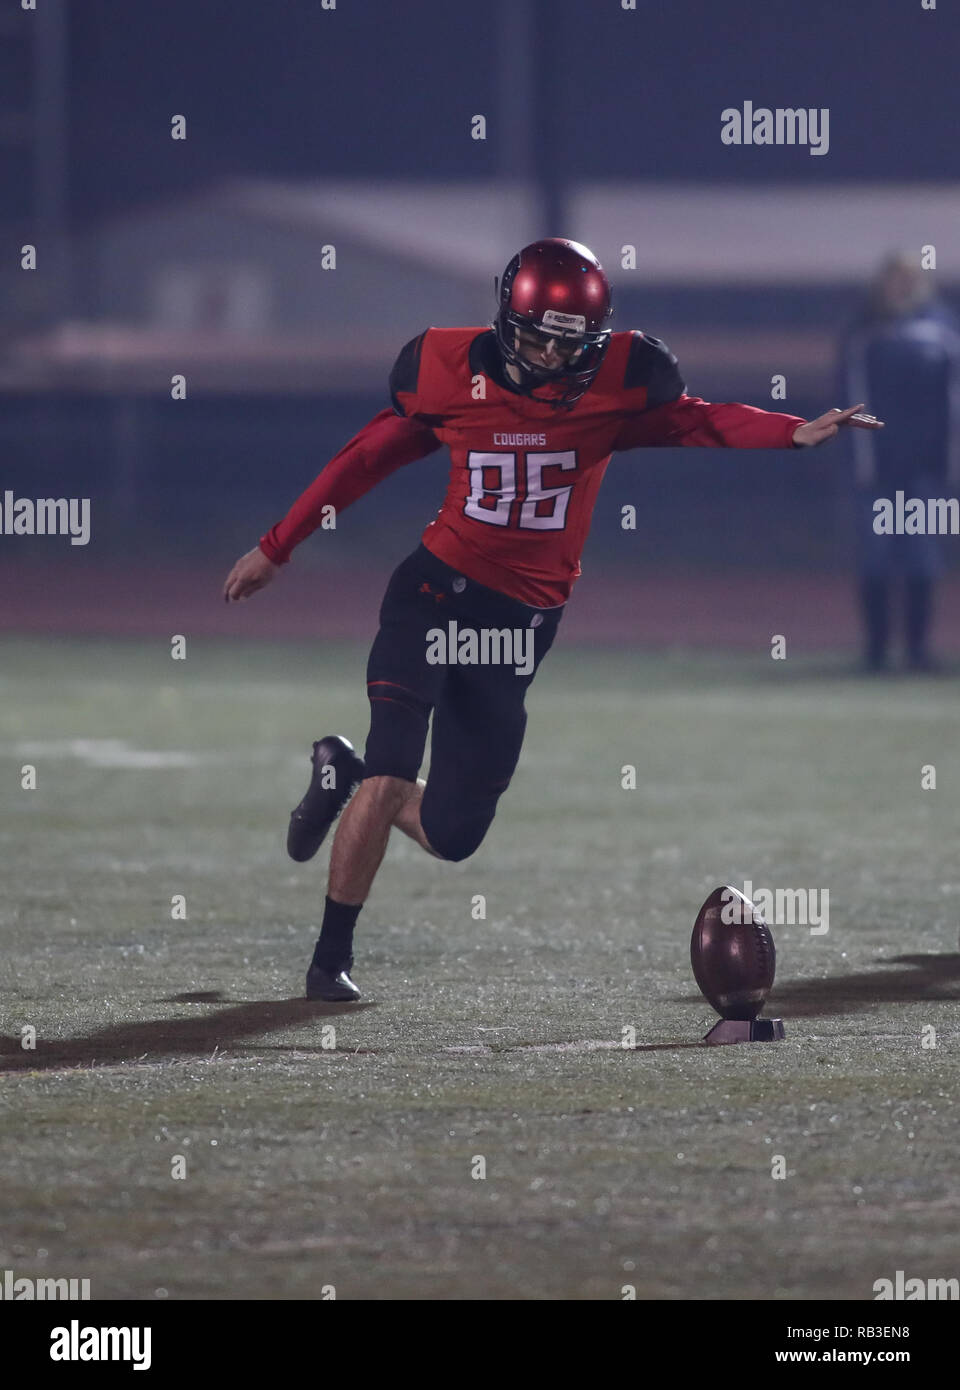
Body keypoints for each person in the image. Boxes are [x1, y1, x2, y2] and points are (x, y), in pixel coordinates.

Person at [223, 237, 880, 1001]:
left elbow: (697, 422)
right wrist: (278, 545)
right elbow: (365, 457)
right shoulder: (448, 373)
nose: (551, 356)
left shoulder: (615, 390)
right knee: (395, 760)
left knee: (453, 834)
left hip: (521, 625)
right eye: (538, 338)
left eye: (570, 345)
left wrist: (789, 429)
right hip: (434, 592)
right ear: (507, 320)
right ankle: (329, 960)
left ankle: (344, 771)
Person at [839, 252, 960, 671]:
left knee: (922, 558)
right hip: (877, 470)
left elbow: (953, 402)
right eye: (894, 279)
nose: (901, 287)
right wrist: (861, 460)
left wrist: (949, 463)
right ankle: (876, 652)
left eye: (909, 279)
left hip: (926, 470)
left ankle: (917, 651)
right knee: (875, 559)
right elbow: (849, 399)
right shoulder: (865, 332)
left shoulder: (942, 333)